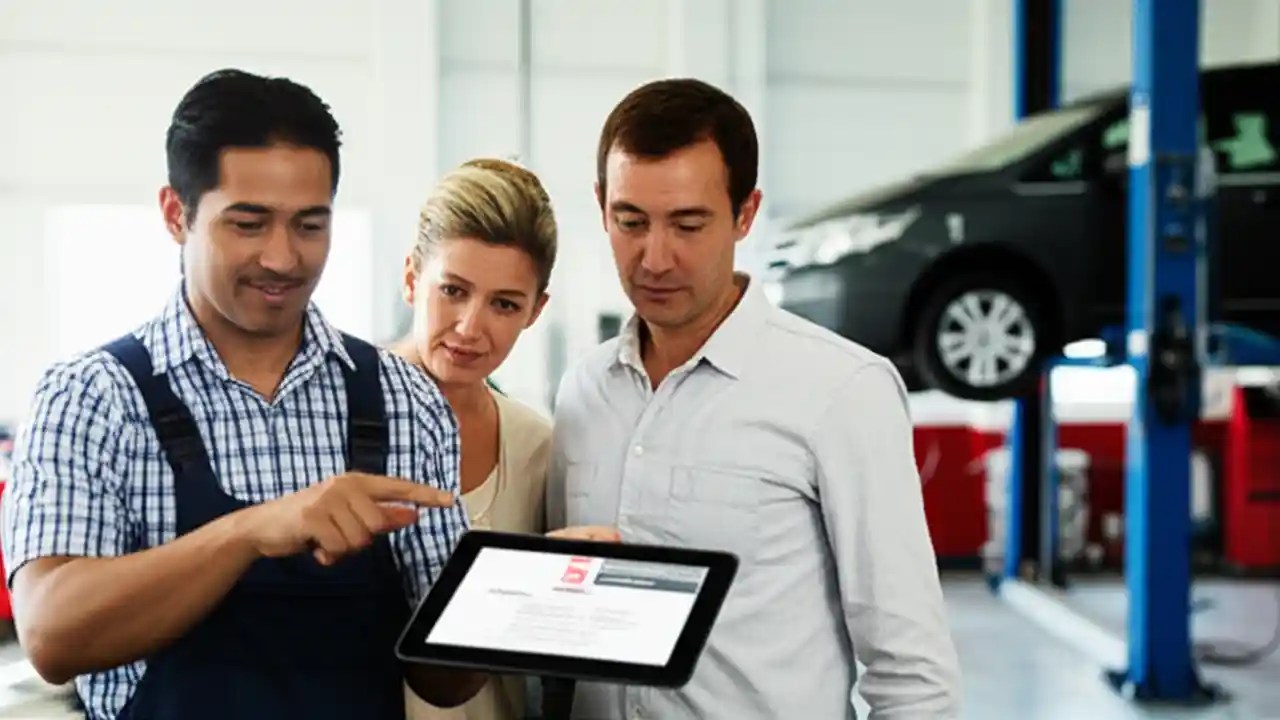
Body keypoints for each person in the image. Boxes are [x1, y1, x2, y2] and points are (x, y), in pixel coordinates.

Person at [0, 69, 485, 720]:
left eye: (310, 225)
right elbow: (52, 633)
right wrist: (253, 532)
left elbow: (445, 683)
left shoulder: (404, 401)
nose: (283, 258)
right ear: (177, 214)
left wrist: (528, 599)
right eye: (248, 224)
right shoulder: (91, 399)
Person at [545, 78, 964, 719]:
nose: (654, 258)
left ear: (745, 213)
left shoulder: (842, 391)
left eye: (688, 223)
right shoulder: (583, 391)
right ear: (602, 206)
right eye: (630, 221)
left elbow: (911, 672)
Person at [390, 157, 590, 720]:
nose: (471, 327)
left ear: (535, 311)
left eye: (504, 303)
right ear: (411, 278)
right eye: (452, 290)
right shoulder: (330, 419)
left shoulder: (538, 447)